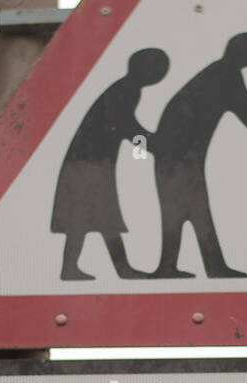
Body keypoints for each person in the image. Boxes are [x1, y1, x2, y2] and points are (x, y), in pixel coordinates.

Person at [151, 32, 247, 279]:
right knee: (182, 211)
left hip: (179, 158)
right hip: (176, 159)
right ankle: (176, 267)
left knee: (194, 210)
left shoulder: (220, 73)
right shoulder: (224, 76)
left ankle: (201, 265)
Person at [50, 47, 170, 280]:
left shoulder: (126, 88)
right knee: (88, 216)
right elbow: (126, 125)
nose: (160, 75)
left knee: (100, 215)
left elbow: (124, 125)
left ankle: (115, 267)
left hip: (92, 163)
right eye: (157, 69)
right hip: (87, 164)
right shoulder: (126, 90)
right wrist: (152, 145)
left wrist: (149, 143)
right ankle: (86, 267)